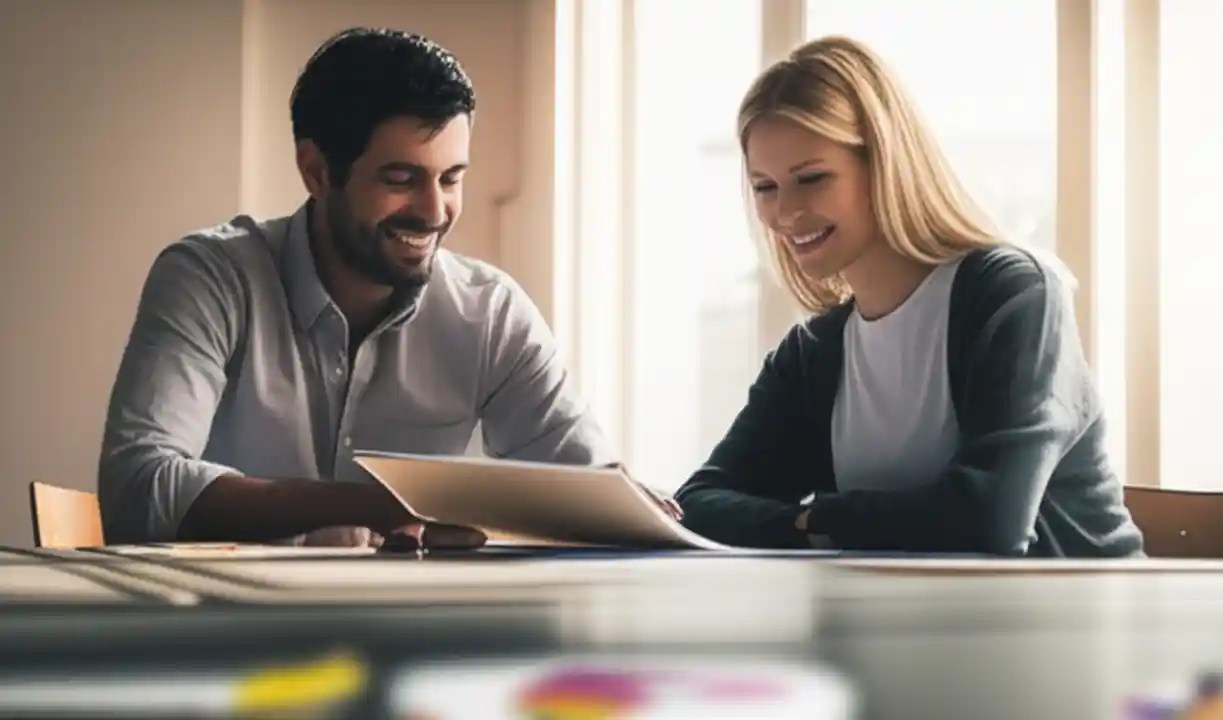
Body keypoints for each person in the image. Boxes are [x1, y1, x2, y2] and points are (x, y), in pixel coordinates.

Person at [99, 28, 617, 548]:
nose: (435, 212)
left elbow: (599, 497)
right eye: (401, 179)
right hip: (226, 625)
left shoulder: (490, 313)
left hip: (420, 628)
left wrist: (633, 505)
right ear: (317, 171)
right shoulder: (211, 277)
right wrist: (396, 504)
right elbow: (139, 490)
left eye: (451, 178)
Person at [674, 36, 1144, 556]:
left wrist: (816, 518)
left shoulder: (1011, 294)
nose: (785, 213)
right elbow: (697, 504)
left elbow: (989, 521)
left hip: (1071, 624)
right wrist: (818, 523)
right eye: (765, 187)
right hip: (923, 627)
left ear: (885, 164)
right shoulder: (815, 353)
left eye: (812, 178)